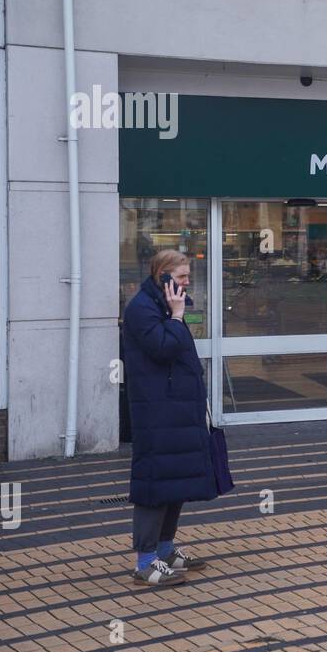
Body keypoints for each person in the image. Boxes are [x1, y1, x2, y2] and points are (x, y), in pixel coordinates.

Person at [122, 249, 217, 585]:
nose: (187, 283)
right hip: (157, 411)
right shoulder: (142, 309)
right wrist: (177, 316)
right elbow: (163, 348)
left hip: (178, 409)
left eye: (188, 276)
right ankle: (145, 562)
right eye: (181, 277)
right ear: (162, 276)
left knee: (175, 480)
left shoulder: (163, 305)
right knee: (155, 483)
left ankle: (165, 549)